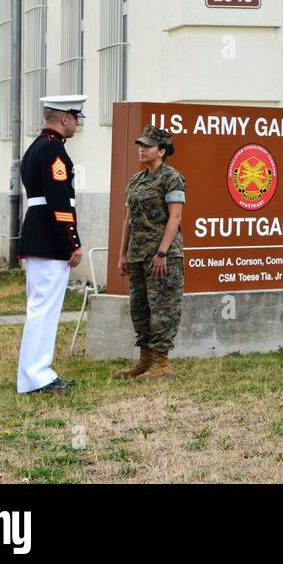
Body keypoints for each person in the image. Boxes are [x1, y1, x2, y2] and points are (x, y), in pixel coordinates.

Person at [16, 95, 86, 395]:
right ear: (65, 118)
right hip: (49, 236)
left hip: (38, 232)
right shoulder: (54, 151)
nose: (77, 124)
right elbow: (60, 201)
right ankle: (37, 376)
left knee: (39, 308)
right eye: (76, 118)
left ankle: (33, 374)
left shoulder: (36, 147)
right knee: (44, 309)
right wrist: (73, 242)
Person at [115, 125, 187, 380]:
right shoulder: (136, 180)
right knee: (140, 308)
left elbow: (175, 217)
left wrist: (163, 252)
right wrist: (122, 254)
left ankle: (162, 364)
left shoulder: (171, 178)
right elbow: (128, 220)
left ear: (162, 150)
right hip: (138, 255)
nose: (142, 149)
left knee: (163, 308)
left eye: (147, 145)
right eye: (140, 145)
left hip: (162, 257)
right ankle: (145, 360)